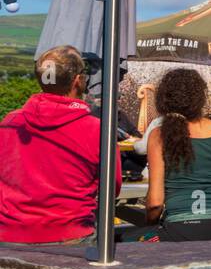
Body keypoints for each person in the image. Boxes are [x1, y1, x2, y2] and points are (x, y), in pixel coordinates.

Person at [0, 46, 121, 244]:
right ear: (77, 81)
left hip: (10, 234)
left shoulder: (10, 122)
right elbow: (112, 188)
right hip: (70, 235)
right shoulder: (99, 129)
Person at [146, 69, 211, 241]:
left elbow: (155, 203)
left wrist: (150, 223)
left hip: (182, 226)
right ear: (201, 98)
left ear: (163, 99)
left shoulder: (159, 135)